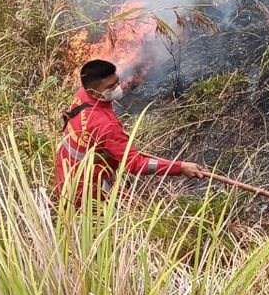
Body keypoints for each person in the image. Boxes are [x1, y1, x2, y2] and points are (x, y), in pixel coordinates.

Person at [55, 58, 206, 204]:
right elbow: (136, 164)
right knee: (139, 211)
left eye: (117, 81)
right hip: (86, 193)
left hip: (67, 174)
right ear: (93, 93)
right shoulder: (106, 127)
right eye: (111, 87)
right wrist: (180, 167)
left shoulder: (83, 95)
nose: (118, 87)